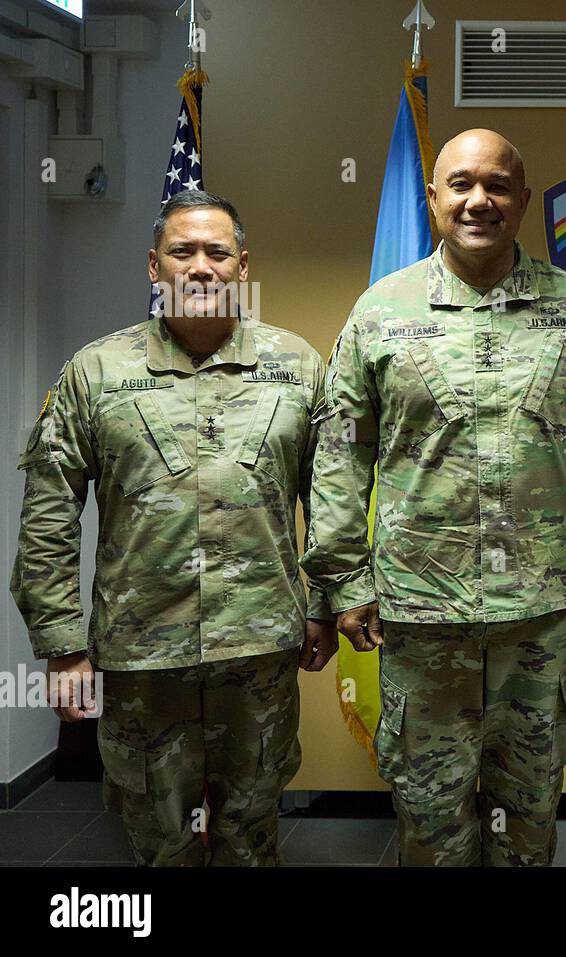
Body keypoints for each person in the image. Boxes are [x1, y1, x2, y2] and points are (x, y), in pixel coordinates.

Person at [302, 128, 566, 866]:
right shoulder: (380, 313)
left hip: (540, 622)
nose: (477, 200)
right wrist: (344, 583)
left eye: (496, 185)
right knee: (430, 821)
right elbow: (338, 461)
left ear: (522, 200)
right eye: (460, 184)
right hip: (421, 621)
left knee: (529, 815)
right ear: (432, 199)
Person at [10, 189, 335, 866]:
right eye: (182, 251)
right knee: (159, 843)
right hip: (141, 662)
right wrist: (62, 645)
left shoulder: (298, 367)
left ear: (243, 266)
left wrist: (325, 603)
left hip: (258, 652)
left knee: (251, 837)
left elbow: (332, 497)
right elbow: (48, 513)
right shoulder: (96, 372)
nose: (201, 266)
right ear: (153, 266)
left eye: (217, 252)